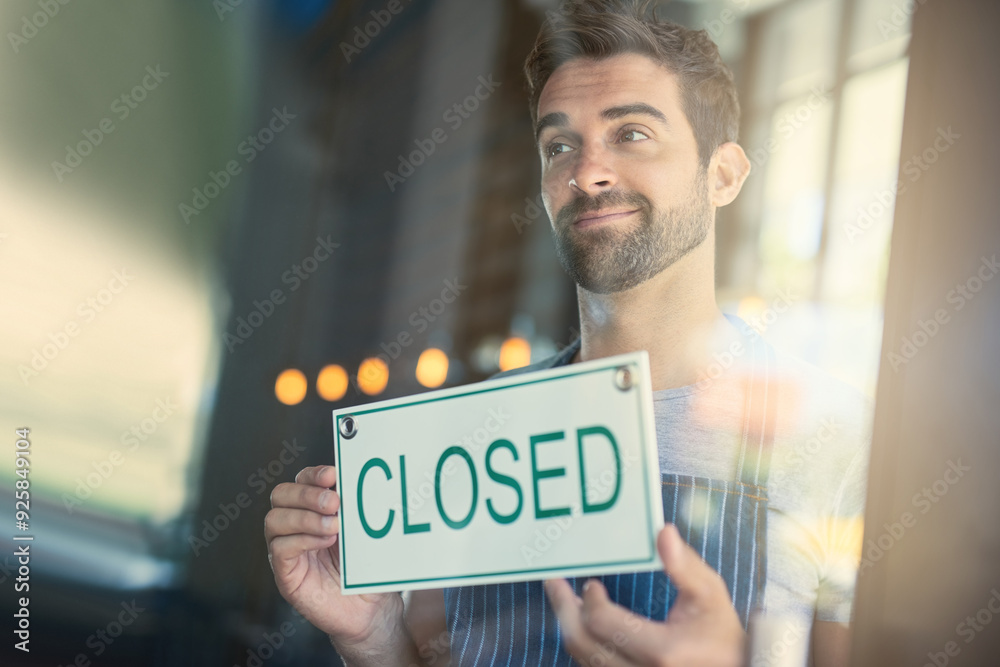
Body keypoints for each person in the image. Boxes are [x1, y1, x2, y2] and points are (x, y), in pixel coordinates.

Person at [264, 1, 870, 665]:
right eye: (560, 146)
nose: (587, 172)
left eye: (632, 134)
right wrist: (373, 636)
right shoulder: (477, 432)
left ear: (722, 175)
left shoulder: (837, 441)